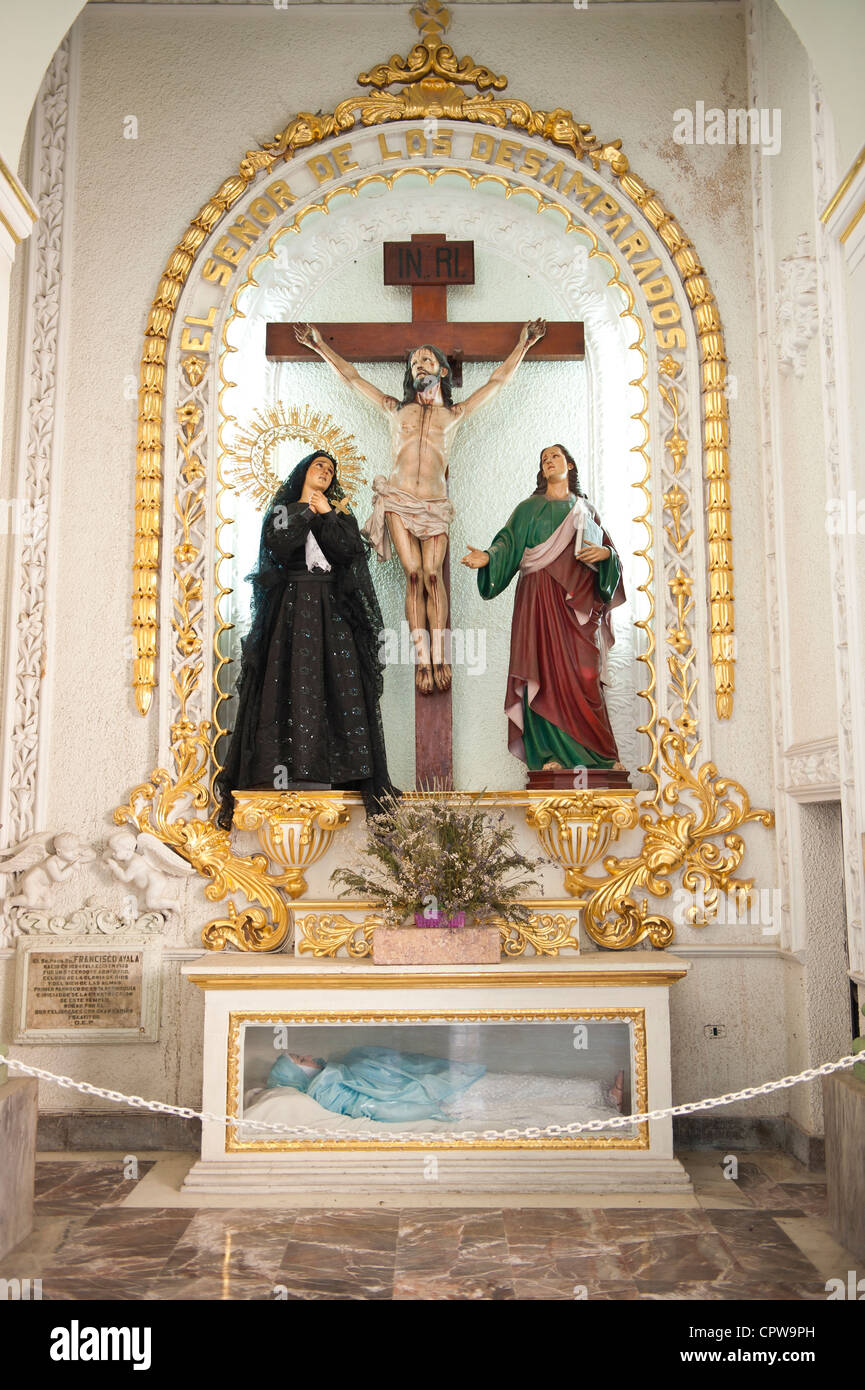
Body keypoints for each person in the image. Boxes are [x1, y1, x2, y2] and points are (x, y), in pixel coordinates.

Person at [294, 320, 546, 694]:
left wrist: (524, 343)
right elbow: (351, 378)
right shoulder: (396, 410)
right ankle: (421, 659)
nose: (419, 366)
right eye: (414, 363)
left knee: (433, 575)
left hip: (434, 506)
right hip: (397, 500)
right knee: (413, 575)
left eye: (426, 360)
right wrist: (318, 345)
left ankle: (440, 656)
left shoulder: (454, 414)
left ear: (442, 371)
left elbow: (497, 382)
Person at [215, 451, 396, 830]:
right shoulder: (283, 511)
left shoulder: (340, 514)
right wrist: (309, 512)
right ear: (303, 472)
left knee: (337, 685)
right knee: (293, 684)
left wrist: (329, 514)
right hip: (293, 610)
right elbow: (279, 546)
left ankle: (341, 772)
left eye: (331, 470)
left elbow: (350, 552)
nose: (326, 472)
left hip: (332, 611)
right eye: (319, 466)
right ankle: (289, 770)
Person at [461, 443, 626, 777]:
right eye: (544, 459)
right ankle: (546, 754)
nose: (549, 461)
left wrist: (607, 557)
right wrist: (489, 559)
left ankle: (601, 757)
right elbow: (506, 542)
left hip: (578, 608)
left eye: (555, 457)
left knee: (584, 676)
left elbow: (610, 555)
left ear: (570, 465)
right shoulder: (528, 509)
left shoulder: (585, 510)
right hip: (537, 600)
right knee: (541, 672)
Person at [264, 1049, 625, 1126]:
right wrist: (432, 1107)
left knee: (523, 1090)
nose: (308, 1056)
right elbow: (376, 1108)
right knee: (523, 1095)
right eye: (300, 1059)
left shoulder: (334, 1074)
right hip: (445, 1096)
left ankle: (600, 1098)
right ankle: (600, 1101)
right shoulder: (328, 1090)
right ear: (299, 1075)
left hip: (445, 1087)